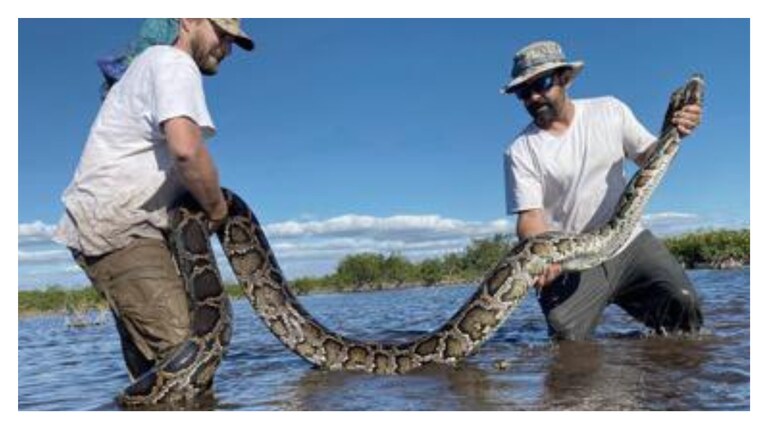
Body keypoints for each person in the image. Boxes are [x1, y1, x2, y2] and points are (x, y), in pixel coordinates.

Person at [53, 19, 254, 379]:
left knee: (152, 368)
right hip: (123, 229)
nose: (226, 49)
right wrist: (218, 211)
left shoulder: (147, 68)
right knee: (188, 356)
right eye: (221, 34)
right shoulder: (172, 62)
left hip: (115, 225)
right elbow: (187, 151)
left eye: (233, 42)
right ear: (188, 20)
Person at [501, 40, 704, 340]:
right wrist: (543, 256)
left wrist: (676, 131)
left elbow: (649, 157)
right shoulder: (519, 150)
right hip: (569, 260)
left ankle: (666, 374)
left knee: (684, 305)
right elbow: (530, 217)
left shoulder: (610, 109)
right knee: (566, 339)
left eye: (541, 84)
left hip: (628, 243)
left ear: (563, 79)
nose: (533, 97)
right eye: (523, 92)